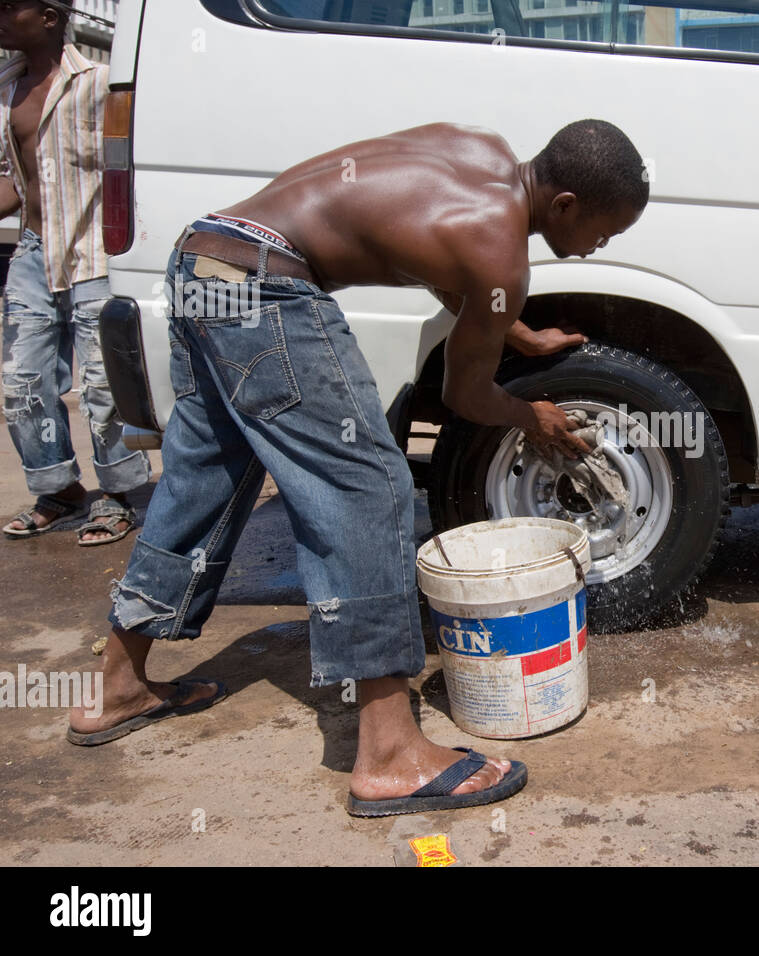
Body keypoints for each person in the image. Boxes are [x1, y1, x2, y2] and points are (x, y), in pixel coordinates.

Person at [67, 119, 648, 815]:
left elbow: (439, 249)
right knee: (369, 484)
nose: (597, 250)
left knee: (207, 478)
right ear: (564, 205)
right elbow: (467, 395)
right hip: (268, 286)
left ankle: (116, 687)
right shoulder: (501, 255)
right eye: (603, 233)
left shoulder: (480, 155)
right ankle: (390, 755)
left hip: (208, 257)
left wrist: (511, 329)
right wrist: (534, 417)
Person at [0, 0, 152, 545]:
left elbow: (135, 168)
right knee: (23, 380)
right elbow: (20, 182)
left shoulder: (102, 84)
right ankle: (57, 489)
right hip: (34, 252)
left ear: (47, 16)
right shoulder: (6, 89)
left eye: (6, 7)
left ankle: (115, 493)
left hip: (93, 251)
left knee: (102, 383)